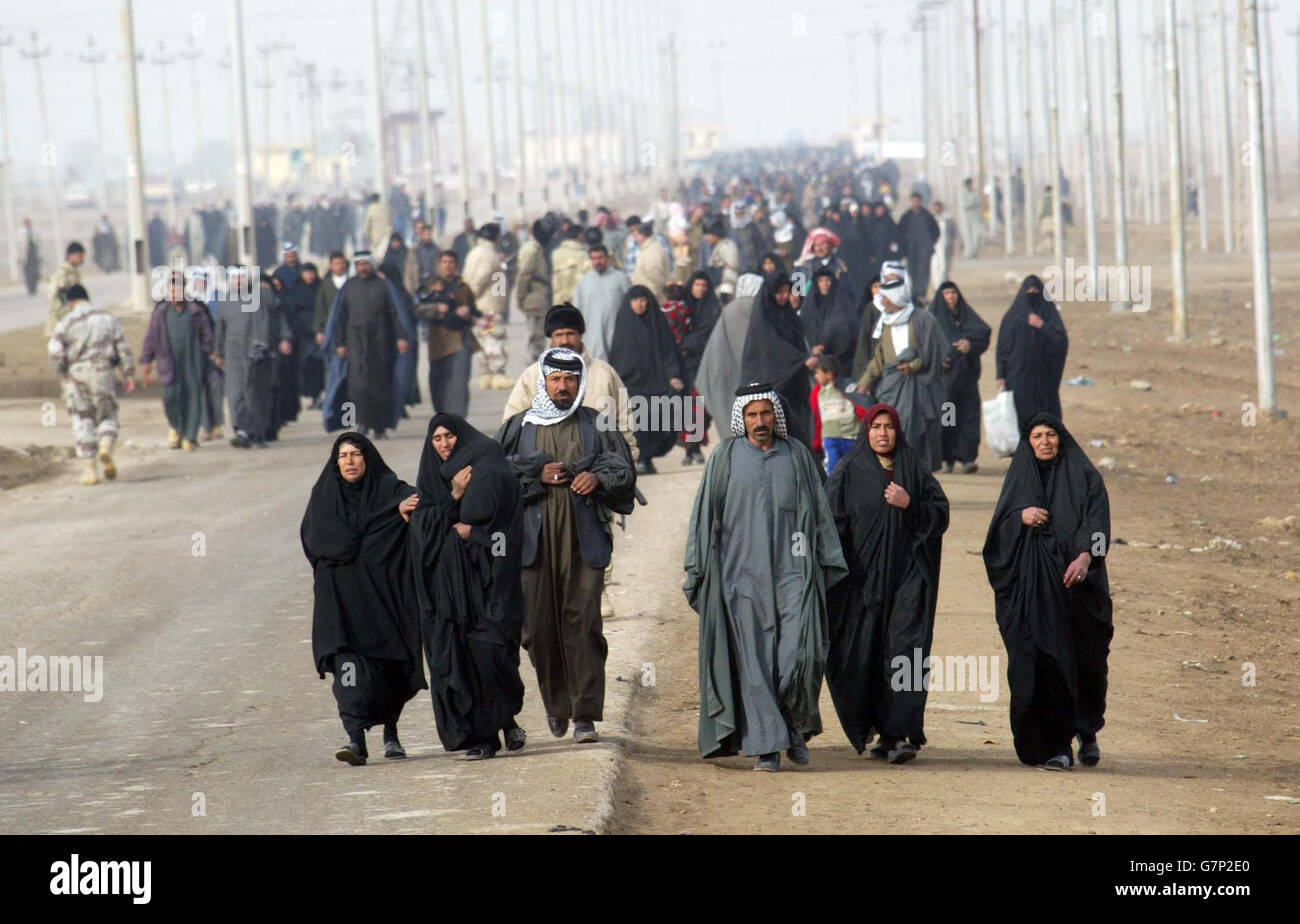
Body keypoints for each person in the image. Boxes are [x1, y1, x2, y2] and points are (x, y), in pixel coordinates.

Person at [683, 384, 847, 771]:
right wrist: (701, 571)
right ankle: (768, 746)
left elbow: (821, 516)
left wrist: (824, 563)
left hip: (794, 573)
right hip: (740, 578)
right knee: (754, 665)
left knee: (801, 655)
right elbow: (703, 520)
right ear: (743, 417)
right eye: (753, 415)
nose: (760, 422)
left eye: (766, 414)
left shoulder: (798, 456)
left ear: (777, 415)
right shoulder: (724, 458)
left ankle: (793, 727)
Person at [495, 348, 637, 744]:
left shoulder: (596, 424)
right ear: (543, 382)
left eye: (569, 379)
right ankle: (557, 706)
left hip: (583, 539)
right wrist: (536, 475)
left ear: (579, 383)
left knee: (583, 623)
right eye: (555, 379)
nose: (562, 386)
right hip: (533, 543)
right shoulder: (519, 427)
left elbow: (623, 467)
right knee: (538, 629)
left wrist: (597, 478)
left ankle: (585, 714)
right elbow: (495, 474)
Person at [982, 413, 1112, 770]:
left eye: (1051, 434)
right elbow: (994, 541)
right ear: (1028, 442)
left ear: (1061, 437)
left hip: (1077, 594)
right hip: (1031, 596)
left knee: (1085, 666)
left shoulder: (1085, 476)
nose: (1044, 442)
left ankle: (1085, 731)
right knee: (1039, 666)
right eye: (1037, 436)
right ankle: (1055, 745)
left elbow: (1099, 527)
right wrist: (1018, 519)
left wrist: (1085, 557)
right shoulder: (1018, 483)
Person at [825, 403, 949, 764]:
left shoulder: (914, 469)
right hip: (861, 585)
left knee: (906, 652)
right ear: (866, 431)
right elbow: (831, 526)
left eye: (889, 427)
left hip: (908, 581)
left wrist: (910, 504)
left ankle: (901, 732)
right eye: (876, 426)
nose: (883, 433)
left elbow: (940, 515)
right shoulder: (848, 470)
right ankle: (876, 730)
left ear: (898, 430)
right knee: (862, 656)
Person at [300, 432, 426, 765]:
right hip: (341, 605)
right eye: (343, 456)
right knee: (349, 671)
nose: (350, 461)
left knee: (389, 669)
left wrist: (401, 511)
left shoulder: (386, 488)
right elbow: (318, 541)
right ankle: (355, 740)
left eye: (356, 454)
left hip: (384, 600)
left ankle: (391, 733)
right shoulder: (325, 497)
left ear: (367, 458)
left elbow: (416, 500)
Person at [410, 414, 528, 760]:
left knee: (494, 655)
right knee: (460, 662)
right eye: (437, 438)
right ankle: (483, 738)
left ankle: (508, 721)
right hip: (448, 595)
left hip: (491, 585)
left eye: (450, 436)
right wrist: (454, 495)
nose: (444, 444)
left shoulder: (491, 470)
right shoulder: (431, 482)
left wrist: (473, 534)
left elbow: (507, 537)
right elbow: (425, 534)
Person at [857, 267, 947, 471]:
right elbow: (879, 358)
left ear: (896, 299)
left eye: (887, 299)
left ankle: (915, 468)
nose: (884, 303)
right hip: (891, 386)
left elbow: (935, 352)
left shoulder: (923, 320)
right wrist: (864, 382)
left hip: (918, 385)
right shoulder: (886, 323)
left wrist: (914, 366)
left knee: (917, 430)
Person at [47, 285, 138, 486]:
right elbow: (123, 347)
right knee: (107, 414)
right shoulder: (107, 318)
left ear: (71, 302)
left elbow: (54, 352)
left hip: (76, 375)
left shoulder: (66, 321)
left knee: (82, 418)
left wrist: (63, 372)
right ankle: (106, 445)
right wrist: (128, 374)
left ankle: (90, 469)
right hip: (103, 371)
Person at [323, 251, 410, 439]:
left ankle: (380, 426)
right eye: (359, 264)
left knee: (380, 385)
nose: (363, 267)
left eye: (366, 264)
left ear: (371, 265)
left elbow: (395, 314)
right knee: (358, 386)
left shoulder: (384, 286)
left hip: (381, 341)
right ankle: (362, 423)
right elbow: (340, 317)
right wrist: (339, 342)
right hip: (355, 343)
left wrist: (401, 337)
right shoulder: (349, 287)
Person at [607, 285, 684, 475]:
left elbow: (669, 351)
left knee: (662, 421)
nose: (639, 305)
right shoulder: (624, 323)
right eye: (635, 301)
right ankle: (641, 459)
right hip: (632, 383)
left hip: (657, 381)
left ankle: (648, 458)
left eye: (643, 300)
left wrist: (673, 375)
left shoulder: (657, 323)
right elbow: (617, 356)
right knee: (638, 422)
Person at [214, 269, 291, 449]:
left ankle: (256, 433)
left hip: (259, 354)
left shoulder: (263, 294)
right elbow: (220, 329)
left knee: (256, 395)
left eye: (241, 277)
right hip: (233, 355)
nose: (238, 281)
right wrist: (218, 353)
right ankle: (242, 430)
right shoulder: (226, 301)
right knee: (236, 394)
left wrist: (285, 338)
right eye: (234, 278)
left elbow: (279, 318)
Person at [140, 273, 215, 452]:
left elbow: (208, 335)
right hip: (168, 362)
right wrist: (146, 362)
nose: (175, 294)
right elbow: (151, 337)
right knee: (171, 398)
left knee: (192, 398)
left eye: (178, 290)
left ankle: (189, 436)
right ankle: (177, 427)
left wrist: (208, 353)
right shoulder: (161, 313)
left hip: (192, 362)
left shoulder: (195, 311)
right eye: (171, 291)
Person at [739, 273, 812, 446]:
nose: (784, 296)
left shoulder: (788, 315)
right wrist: (801, 360)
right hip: (772, 382)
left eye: (787, 291)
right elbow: (774, 349)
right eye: (779, 292)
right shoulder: (763, 319)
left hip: (794, 383)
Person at [931, 281, 990, 473]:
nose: (951, 297)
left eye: (953, 293)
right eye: (947, 293)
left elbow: (983, 332)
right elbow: (924, 345)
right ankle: (947, 458)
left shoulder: (967, 316)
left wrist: (970, 345)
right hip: (946, 382)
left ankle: (967, 458)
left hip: (967, 379)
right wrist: (939, 359)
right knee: (948, 419)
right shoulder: (933, 320)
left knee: (969, 417)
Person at [997, 274, 1069, 429]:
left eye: (1035, 290)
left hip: (1044, 380)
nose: (1032, 293)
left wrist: (1042, 325)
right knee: (1020, 420)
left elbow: (1061, 341)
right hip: (1018, 379)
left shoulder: (1049, 315)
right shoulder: (1012, 318)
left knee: (1046, 422)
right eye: (1028, 290)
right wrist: (1000, 376)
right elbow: (1002, 350)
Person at [414, 250, 479, 418]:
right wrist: (436, 310)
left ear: (456, 265)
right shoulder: (429, 286)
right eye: (444, 262)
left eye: (451, 262)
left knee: (459, 384)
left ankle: (458, 421)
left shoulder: (463, 288)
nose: (447, 265)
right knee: (438, 384)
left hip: (461, 341)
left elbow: (474, 310)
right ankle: (443, 417)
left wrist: (469, 314)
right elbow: (418, 310)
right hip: (439, 343)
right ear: (439, 265)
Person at [676, 272, 722, 464]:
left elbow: (713, 333)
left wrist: (688, 343)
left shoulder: (713, 309)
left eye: (704, 285)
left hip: (705, 364)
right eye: (697, 285)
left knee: (701, 409)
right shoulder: (681, 307)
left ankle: (695, 446)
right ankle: (690, 449)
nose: (700, 289)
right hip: (683, 367)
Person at [463, 222, 510, 389]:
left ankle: (486, 375)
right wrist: (470, 296)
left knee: (482, 340)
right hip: (489, 306)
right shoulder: (489, 254)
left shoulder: (474, 252)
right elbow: (481, 278)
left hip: (479, 306)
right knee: (494, 338)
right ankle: (497, 374)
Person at [798, 266, 859, 379]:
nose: (825, 284)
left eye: (828, 280)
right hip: (813, 365)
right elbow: (803, 331)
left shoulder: (842, 303)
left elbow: (847, 332)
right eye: (821, 281)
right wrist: (811, 351)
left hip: (840, 363)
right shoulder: (809, 306)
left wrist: (826, 348)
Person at [572, 244, 629, 362]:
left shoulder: (620, 278)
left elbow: (629, 304)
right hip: (592, 334)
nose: (598, 261)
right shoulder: (584, 281)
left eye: (600, 257)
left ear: (607, 258)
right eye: (594, 258)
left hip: (617, 333)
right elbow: (576, 310)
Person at [810, 355, 866, 476]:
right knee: (833, 469)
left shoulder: (845, 389)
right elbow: (818, 418)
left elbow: (857, 409)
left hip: (850, 436)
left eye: (818, 373)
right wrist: (818, 440)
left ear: (829, 374)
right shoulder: (817, 393)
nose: (815, 376)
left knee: (854, 468)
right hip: (831, 437)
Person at [515, 218, 554, 362]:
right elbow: (524, 276)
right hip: (534, 301)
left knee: (539, 340)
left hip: (540, 301)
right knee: (535, 341)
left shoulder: (538, 249)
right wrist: (520, 298)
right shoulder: (532, 250)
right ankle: (532, 376)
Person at [897, 193, 941, 301]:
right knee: (912, 271)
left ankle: (921, 294)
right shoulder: (906, 217)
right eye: (913, 200)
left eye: (917, 200)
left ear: (920, 201)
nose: (915, 203)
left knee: (924, 271)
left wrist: (931, 243)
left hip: (925, 249)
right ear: (911, 201)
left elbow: (936, 231)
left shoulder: (927, 216)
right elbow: (900, 233)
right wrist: (903, 247)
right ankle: (914, 293)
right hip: (910, 249)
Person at [45, 242, 86, 338]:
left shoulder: (74, 272)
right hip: (61, 321)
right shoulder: (63, 272)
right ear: (71, 255)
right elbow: (59, 294)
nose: (82, 259)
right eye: (80, 256)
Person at [628, 220, 670, 303]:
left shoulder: (652, 251)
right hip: (646, 295)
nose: (635, 239)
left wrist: (650, 297)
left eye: (636, 236)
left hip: (651, 297)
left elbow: (655, 276)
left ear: (642, 236)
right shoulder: (648, 248)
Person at [550, 223, 589, 305]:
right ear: (580, 235)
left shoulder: (555, 254)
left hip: (559, 300)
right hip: (577, 300)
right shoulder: (584, 255)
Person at [929, 201, 959, 293]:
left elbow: (954, 232)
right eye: (935, 207)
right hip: (933, 247)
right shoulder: (930, 219)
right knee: (935, 266)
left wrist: (956, 243)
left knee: (944, 266)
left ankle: (944, 284)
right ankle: (937, 285)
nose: (937, 209)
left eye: (938, 207)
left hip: (945, 246)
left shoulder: (948, 219)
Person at [960, 178, 982, 259]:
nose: (968, 186)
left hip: (975, 217)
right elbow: (964, 205)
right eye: (967, 185)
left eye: (969, 184)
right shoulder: (964, 194)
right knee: (967, 235)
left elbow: (976, 203)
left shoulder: (975, 193)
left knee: (976, 235)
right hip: (967, 217)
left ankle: (975, 252)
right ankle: (969, 252)